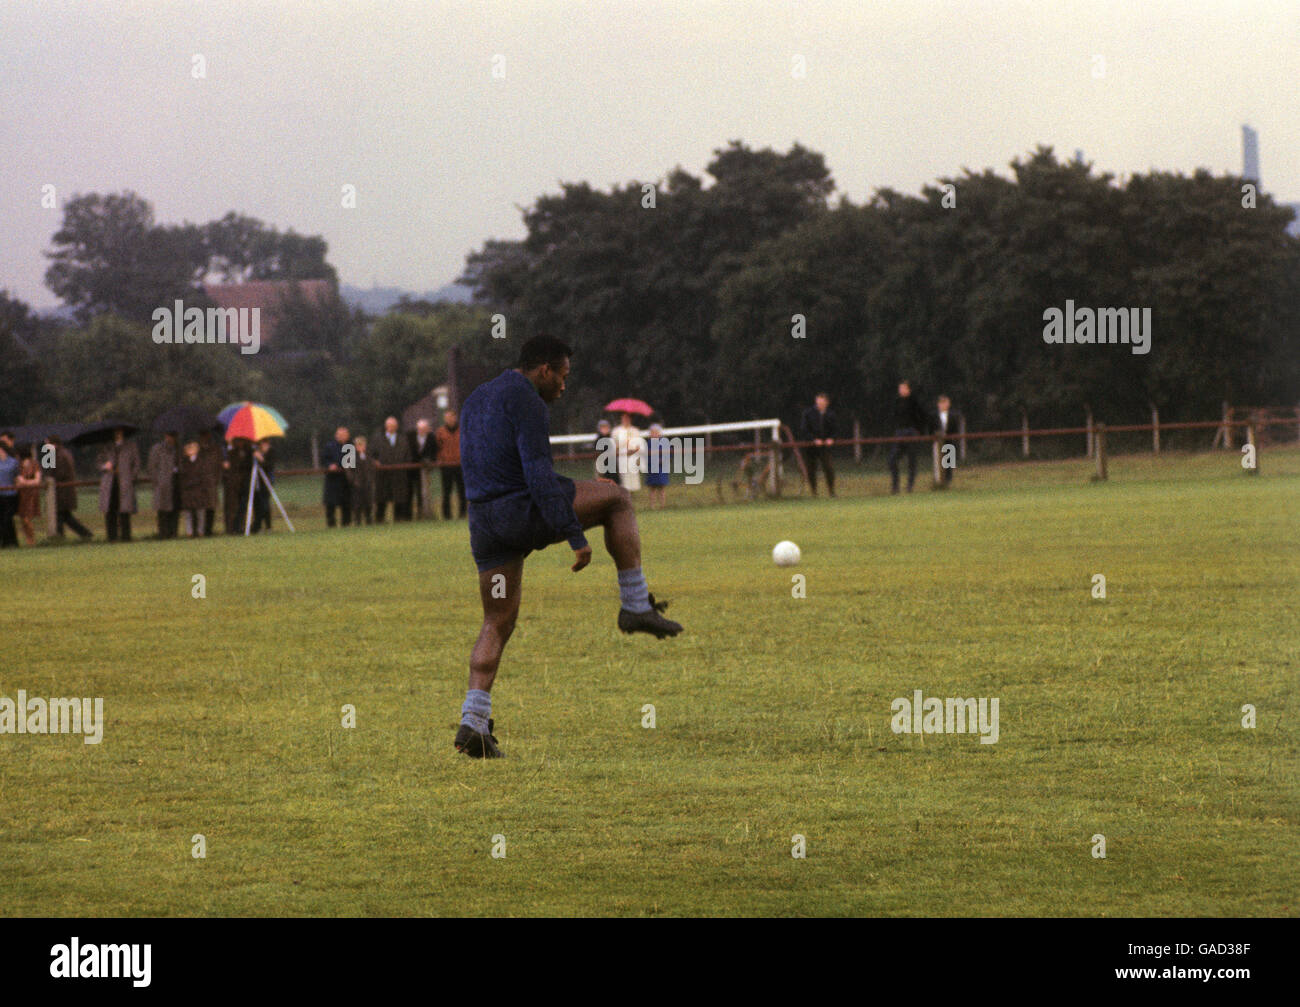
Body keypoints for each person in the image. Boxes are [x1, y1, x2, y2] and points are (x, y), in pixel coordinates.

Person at [454, 336, 683, 759]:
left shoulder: (477, 398)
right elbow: (539, 475)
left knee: (496, 622)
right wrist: (575, 536)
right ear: (543, 370)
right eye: (562, 375)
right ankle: (635, 604)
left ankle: (472, 721)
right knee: (616, 498)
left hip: (484, 522)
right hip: (521, 509)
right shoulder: (528, 401)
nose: (564, 385)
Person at [45, 436, 92, 540]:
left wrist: (50, 479)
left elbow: (59, 473)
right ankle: (84, 534)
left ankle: (60, 536)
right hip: (64, 491)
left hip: (62, 492)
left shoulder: (59, 455)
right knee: (65, 516)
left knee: (61, 516)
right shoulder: (61, 453)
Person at [888, 380, 931, 494]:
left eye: (903, 388)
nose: (901, 391)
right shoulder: (897, 402)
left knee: (912, 461)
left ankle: (909, 486)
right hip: (899, 433)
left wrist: (919, 432)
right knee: (892, 460)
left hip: (911, 433)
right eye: (900, 388)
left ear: (908, 389)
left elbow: (923, 417)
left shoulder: (915, 402)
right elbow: (894, 417)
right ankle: (895, 486)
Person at [97, 427, 140, 542]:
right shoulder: (106, 447)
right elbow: (99, 463)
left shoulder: (131, 446)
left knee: (125, 512)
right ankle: (112, 537)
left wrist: (131, 477)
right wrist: (105, 466)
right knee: (110, 511)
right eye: (115, 432)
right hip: (110, 483)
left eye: (119, 431)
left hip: (125, 482)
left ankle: (126, 537)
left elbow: (136, 464)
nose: (117, 434)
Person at [374, 416, 413, 522]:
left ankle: (399, 518)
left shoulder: (403, 439)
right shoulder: (378, 439)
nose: (391, 427)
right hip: (383, 474)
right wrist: (375, 461)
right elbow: (372, 455)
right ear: (386, 426)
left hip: (399, 474)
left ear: (397, 426)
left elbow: (408, 455)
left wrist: (405, 465)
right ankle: (379, 519)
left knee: (399, 497)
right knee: (381, 497)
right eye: (389, 425)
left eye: (394, 425)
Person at [800, 393, 837, 497]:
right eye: (818, 402)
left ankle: (831, 491)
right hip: (810, 447)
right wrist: (813, 439)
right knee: (811, 469)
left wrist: (831, 439)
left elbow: (835, 430)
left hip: (824, 447)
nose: (819, 404)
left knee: (829, 468)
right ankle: (814, 492)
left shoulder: (831, 414)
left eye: (822, 402)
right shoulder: (808, 413)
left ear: (827, 403)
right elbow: (804, 429)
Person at [148, 431, 181, 539]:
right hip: (163, 484)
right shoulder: (157, 449)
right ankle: (163, 533)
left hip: (176, 482)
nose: (172, 438)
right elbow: (152, 467)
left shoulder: (178, 449)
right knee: (162, 511)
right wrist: (157, 481)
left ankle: (173, 533)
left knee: (175, 509)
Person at [435, 410, 466, 519]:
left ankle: (463, 513)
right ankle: (446, 514)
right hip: (446, 465)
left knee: (462, 491)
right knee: (446, 491)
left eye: (451, 417)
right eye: (447, 417)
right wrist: (440, 459)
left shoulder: (462, 430)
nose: (450, 419)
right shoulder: (440, 432)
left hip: (460, 464)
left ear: (455, 418)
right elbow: (437, 448)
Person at [177, 437, 209, 536]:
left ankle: (200, 531)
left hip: (199, 491)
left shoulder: (202, 461)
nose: (190, 450)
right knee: (188, 513)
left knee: (200, 513)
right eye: (188, 448)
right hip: (188, 491)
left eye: (193, 448)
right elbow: (182, 476)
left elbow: (204, 476)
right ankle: (189, 532)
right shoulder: (183, 462)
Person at [321, 426, 353, 527]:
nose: (343, 437)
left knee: (346, 504)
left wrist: (338, 465)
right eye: (340, 435)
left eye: (345, 435)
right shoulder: (329, 446)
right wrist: (330, 465)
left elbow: (349, 462)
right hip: (332, 480)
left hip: (346, 480)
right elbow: (324, 459)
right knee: (331, 504)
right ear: (336, 435)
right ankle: (331, 525)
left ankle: (346, 524)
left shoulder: (350, 446)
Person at [409, 418, 437, 519]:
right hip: (413, 470)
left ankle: (425, 512)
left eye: (424, 428)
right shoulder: (411, 437)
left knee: (425, 492)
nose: (422, 430)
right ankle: (411, 514)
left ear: (428, 429)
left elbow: (434, 452)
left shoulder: (432, 438)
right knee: (411, 492)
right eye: (420, 429)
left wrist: (429, 460)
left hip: (426, 469)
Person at [612, 412, 645, 493]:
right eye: (624, 418)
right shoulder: (616, 431)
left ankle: (632, 493)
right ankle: (625, 493)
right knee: (624, 476)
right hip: (623, 456)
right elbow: (614, 444)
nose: (626, 420)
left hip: (633, 456)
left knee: (633, 475)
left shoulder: (635, 430)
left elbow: (639, 442)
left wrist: (636, 448)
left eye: (628, 418)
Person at [347, 434, 376, 525]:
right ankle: (357, 521)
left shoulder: (368, 455)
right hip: (357, 484)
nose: (360, 446)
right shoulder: (350, 456)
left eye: (362, 444)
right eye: (358, 444)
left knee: (368, 502)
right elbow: (348, 470)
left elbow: (372, 467)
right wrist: (353, 480)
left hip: (367, 482)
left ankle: (369, 519)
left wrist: (371, 479)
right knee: (357, 503)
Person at [197, 430, 221, 537]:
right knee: (200, 508)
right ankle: (200, 530)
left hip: (211, 482)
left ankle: (208, 530)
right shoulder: (197, 450)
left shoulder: (215, 449)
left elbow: (218, 466)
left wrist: (217, 479)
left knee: (211, 507)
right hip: (200, 483)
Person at [934, 395, 963, 487]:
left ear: (948, 404)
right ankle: (938, 481)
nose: (943, 405)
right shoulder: (934, 415)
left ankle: (948, 481)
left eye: (945, 402)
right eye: (941, 403)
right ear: (938, 404)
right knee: (938, 462)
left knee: (949, 462)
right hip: (938, 442)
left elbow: (956, 429)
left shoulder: (953, 416)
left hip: (949, 441)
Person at [16, 454, 42, 545]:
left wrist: (25, 482)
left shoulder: (34, 464)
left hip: (31, 495)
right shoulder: (19, 465)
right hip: (22, 495)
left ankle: (32, 539)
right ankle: (28, 539)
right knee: (23, 519)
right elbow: (18, 480)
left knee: (27, 519)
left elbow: (37, 480)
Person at [250, 438, 275, 533]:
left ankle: (268, 526)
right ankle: (258, 526)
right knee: (257, 503)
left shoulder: (271, 451)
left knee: (265, 503)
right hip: (256, 481)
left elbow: (269, 466)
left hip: (267, 480)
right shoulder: (254, 450)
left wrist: (261, 458)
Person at [645, 422, 671, 509]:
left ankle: (662, 505)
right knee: (652, 488)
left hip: (661, 468)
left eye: (656, 432)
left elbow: (668, 454)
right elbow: (646, 456)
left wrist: (662, 460)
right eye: (652, 432)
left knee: (662, 488)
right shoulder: (648, 443)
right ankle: (652, 506)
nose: (654, 434)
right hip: (652, 468)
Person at [0, 439, 18, 548]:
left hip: (10, 495)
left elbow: (17, 477)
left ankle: (10, 541)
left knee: (7, 519)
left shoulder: (13, 462)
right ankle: (8, 542)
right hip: (0, 495)